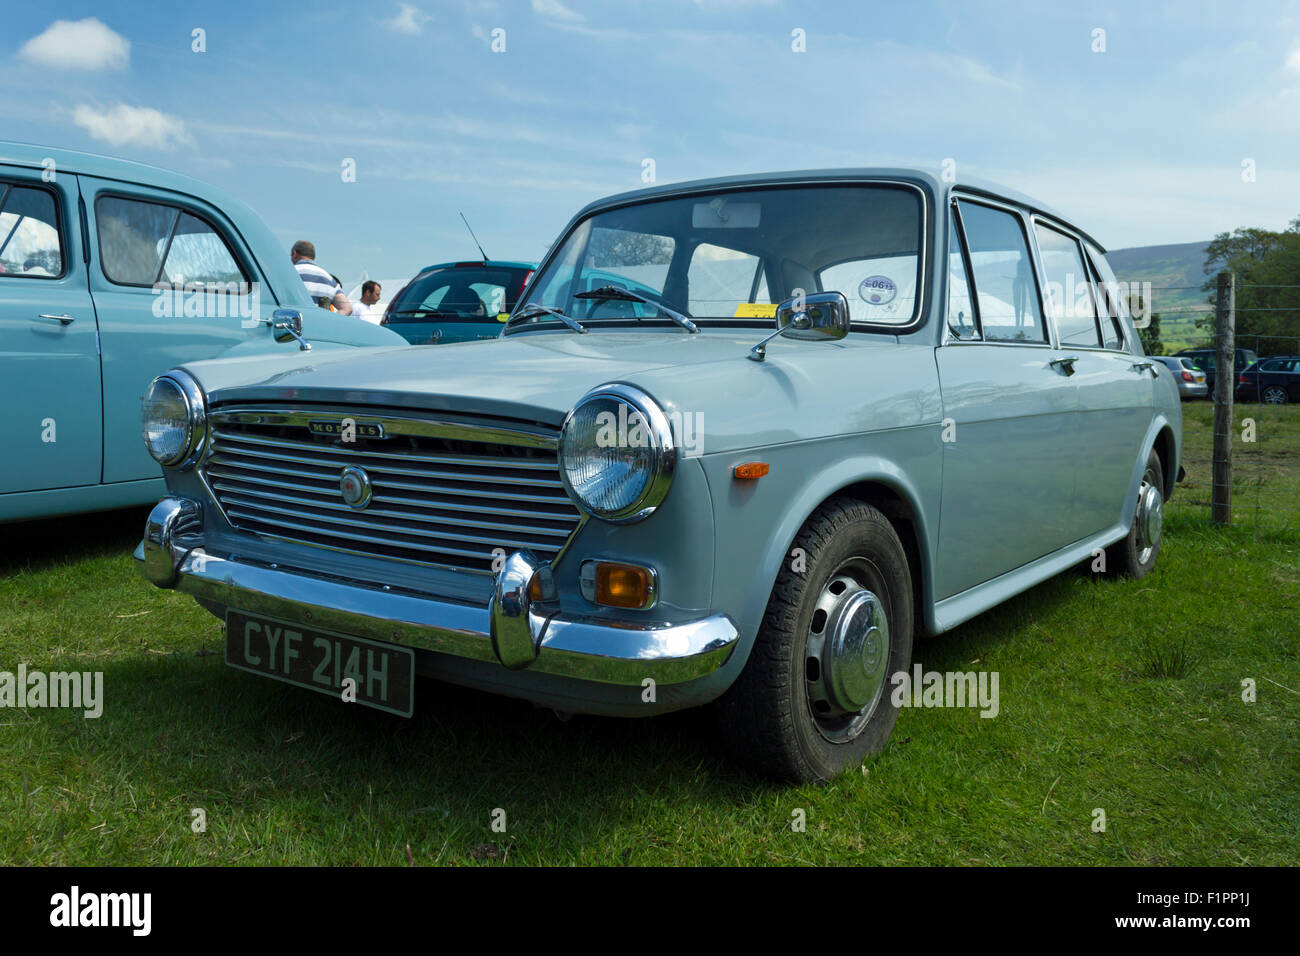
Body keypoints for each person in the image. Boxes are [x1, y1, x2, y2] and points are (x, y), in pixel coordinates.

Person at [290, 240, 353, 313]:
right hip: (321, 323)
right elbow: (347, 308)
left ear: (294, 253)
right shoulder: (329, 278)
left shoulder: (289, 273)